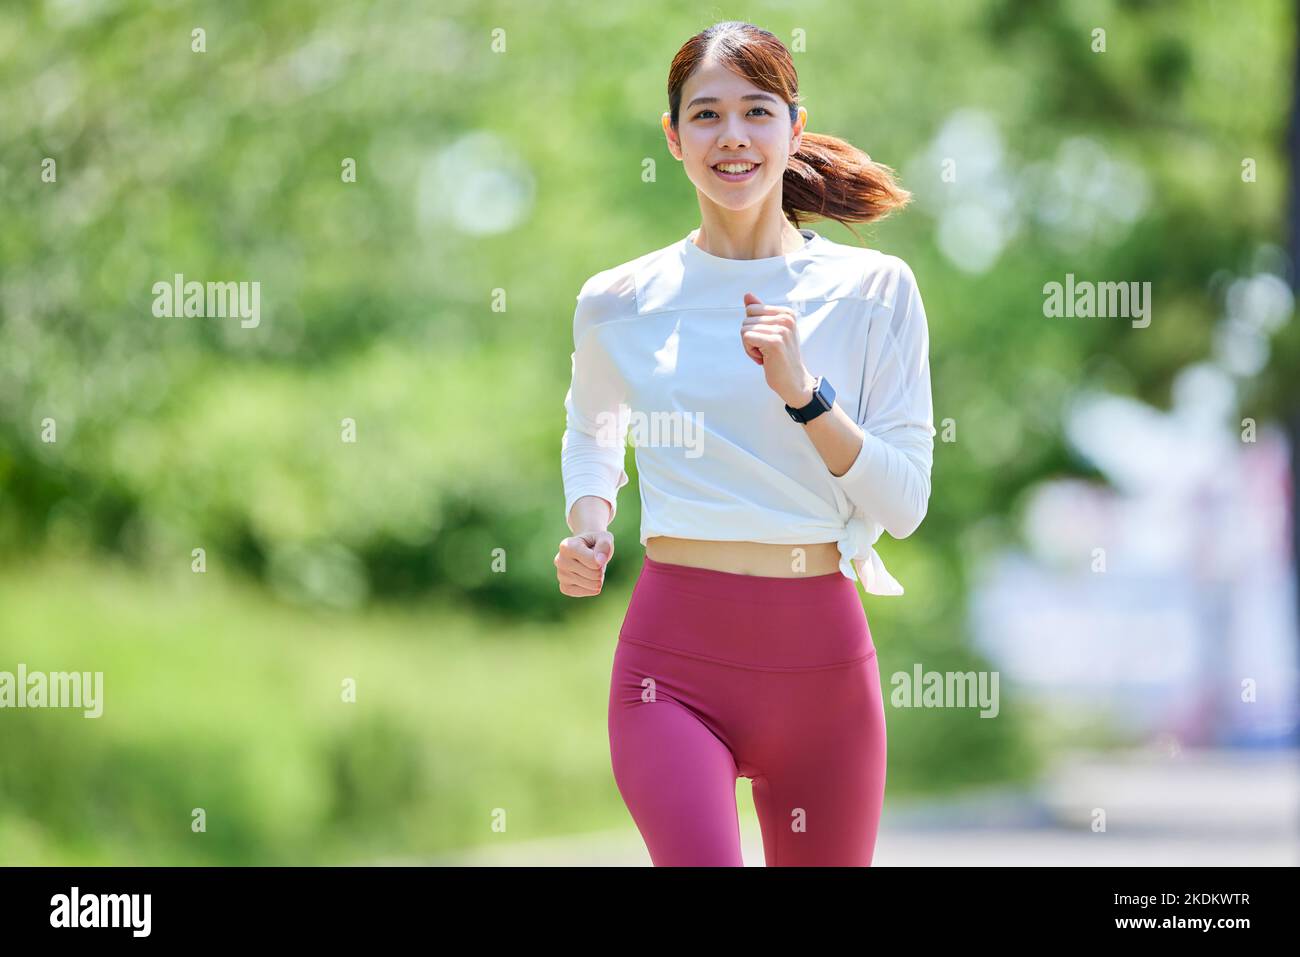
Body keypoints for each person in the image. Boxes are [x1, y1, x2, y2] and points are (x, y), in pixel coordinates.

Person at [555, 21, 936, 866]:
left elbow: (905, 504)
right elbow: (593, 429)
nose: (733, 137)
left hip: (824, 676)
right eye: (707, 115)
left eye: (757, 111)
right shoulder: (618, 300)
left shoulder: (874, 291)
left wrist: (806, 396)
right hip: (671, 673)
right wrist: (588, 520)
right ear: (674, 137)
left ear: (795, 127)